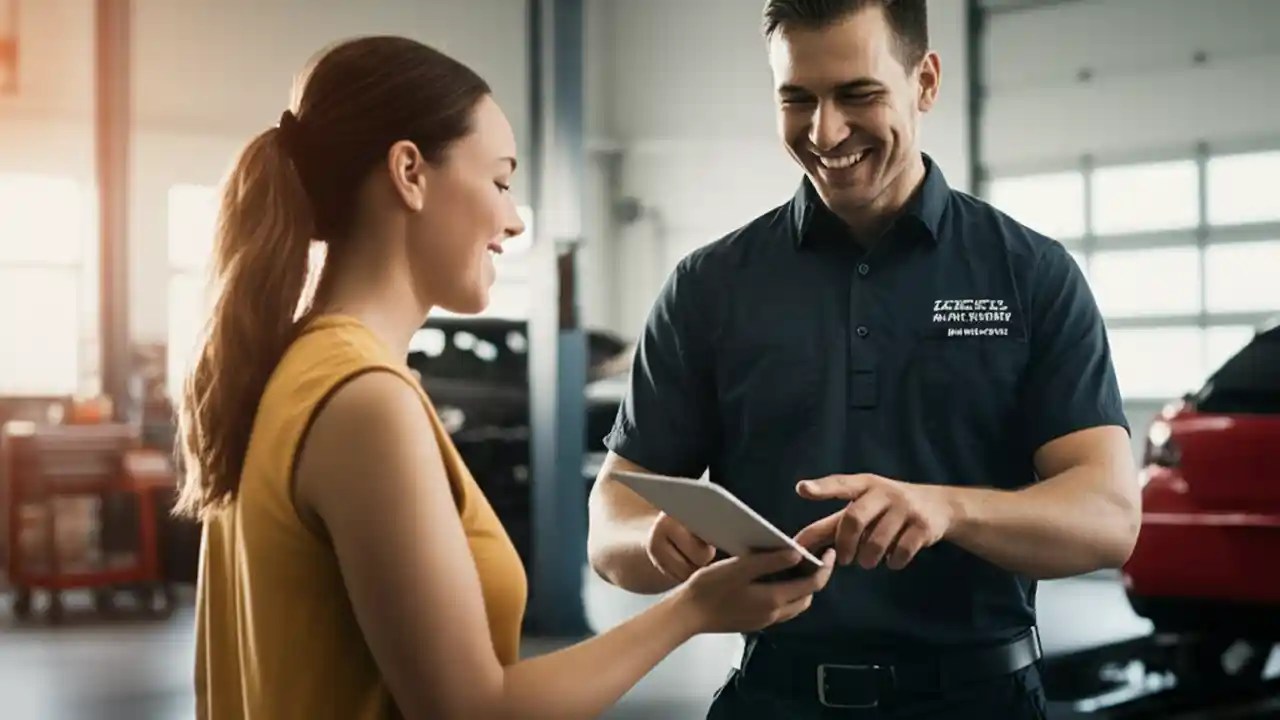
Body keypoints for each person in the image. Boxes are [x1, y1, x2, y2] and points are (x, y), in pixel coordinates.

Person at [174, 35, 836, 720]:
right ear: (409, 172)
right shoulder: (364, 402)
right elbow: (474, 709)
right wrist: (693, 609)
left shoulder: (293, 372)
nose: (514, 220)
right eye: (499, 181)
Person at [586, 1, 1141, 717]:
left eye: (857, 94)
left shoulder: (1030, 274)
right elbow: (612, 520)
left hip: (980, 701)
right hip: (773, 700)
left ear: (926, 82)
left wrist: (948, 509)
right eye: (797, 99)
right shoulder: (707, 288)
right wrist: (653, 541)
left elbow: (1108, 517)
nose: (825, 132)